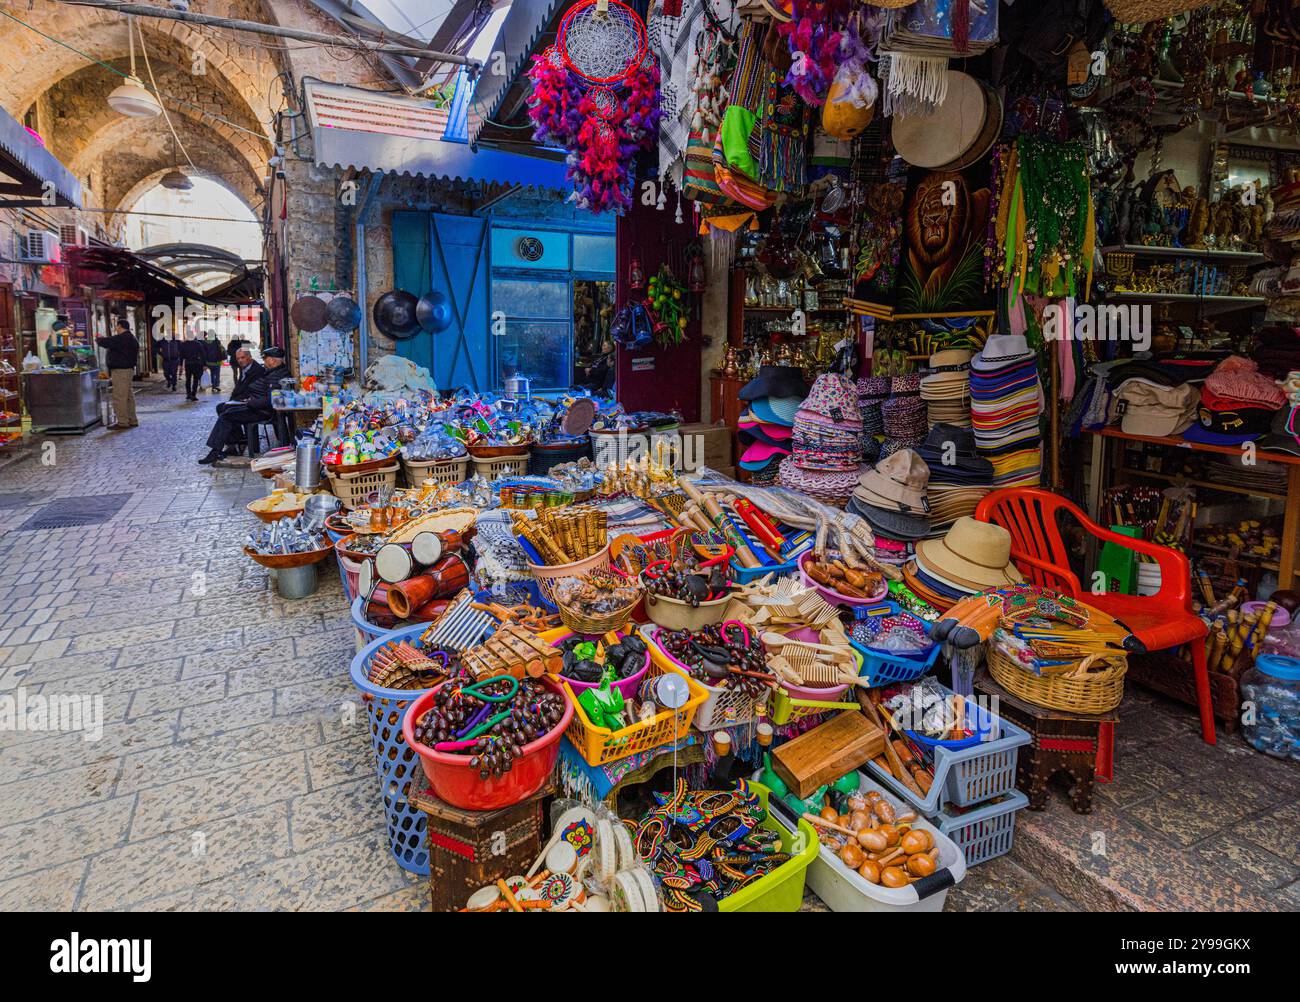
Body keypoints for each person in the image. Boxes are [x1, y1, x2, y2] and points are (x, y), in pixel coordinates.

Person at [198, 346, 286, 465]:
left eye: (266, 359)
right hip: (255, 406)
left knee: (226, 415)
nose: (264, 362)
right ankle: (230, 445)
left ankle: (216, 451)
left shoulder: (276, 374)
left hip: (260, 410)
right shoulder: (273, 372)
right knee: (226, 411)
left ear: (273, 361)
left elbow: (271, 400)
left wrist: (250, 402)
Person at [96, 319, 140, 429]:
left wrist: (98, 338)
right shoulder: (132, 338)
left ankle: (122, 422)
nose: (116, 329)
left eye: (117, 327)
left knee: (119, 397)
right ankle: (132, 419)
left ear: (120, 326)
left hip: (121, 371)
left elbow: (106, 342)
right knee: (128, 396)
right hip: (128, 371)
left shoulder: (123, 338)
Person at [179, 333, 206, 401]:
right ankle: (193, 394)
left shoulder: (184, 344)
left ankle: (188, 394)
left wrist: (181, 364)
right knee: (195, 379)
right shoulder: (198, 343)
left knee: (188, 379)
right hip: (197, 364)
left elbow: (181, 355)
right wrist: (204, 364)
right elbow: (203, 354)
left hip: (188, 364)